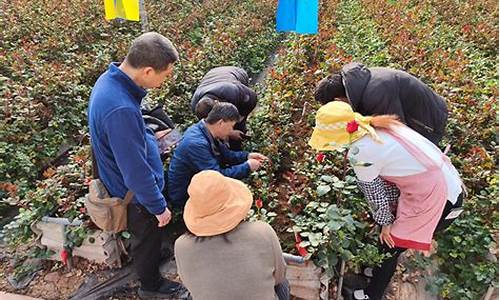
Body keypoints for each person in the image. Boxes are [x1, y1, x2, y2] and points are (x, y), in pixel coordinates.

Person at [309, 101, 464, 300]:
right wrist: (388, 217)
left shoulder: (360, 151)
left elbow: (375, 194)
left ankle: (371, 295)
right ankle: (372, 271)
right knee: (388, 242)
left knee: (390, 245)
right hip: (446, 183)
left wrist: (386, 223)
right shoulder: (375, 126)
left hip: (439, 199)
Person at [88, 32, 188, 299]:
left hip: (127, 180)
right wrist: (157, 206)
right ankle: (150, 285)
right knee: (146, 234)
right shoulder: (120, 108)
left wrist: (145, 134)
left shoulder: (111, 81)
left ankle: (154, 252)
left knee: (151, 237)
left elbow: (124, 140)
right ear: (147, 70)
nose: (165, 80)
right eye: (164, 75)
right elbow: (135, 171)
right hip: (134, 195)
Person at [175, 170, 290, 300]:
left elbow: (190, 285)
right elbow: (279, 276)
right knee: (283, 284)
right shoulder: (262, 231)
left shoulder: (181, 246)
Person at [314, 62, 448, 145]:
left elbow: (397, 131)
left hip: (430, 123)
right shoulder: (359, 82)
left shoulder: (375, 94)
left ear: (338, 100)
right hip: (427, 109)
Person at [167, 102, 267, 209]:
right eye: (231, 126)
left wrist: (248, 156)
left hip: (198, 185)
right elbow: (217, 178)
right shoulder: (196, 143)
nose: (231, 131)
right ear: (221, 123)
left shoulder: (205, 130)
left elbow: (227, 155)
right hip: (185, 197)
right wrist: (247, 166)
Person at [191, 66, 257, 150]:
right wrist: (229, 133)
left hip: (235, 73)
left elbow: (252, 99)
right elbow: (210, 127)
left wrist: (238, 120)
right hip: (213, 78)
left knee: (236, 122)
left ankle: (237, 147)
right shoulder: (196, 106)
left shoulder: (233, 91)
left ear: (217, 103)